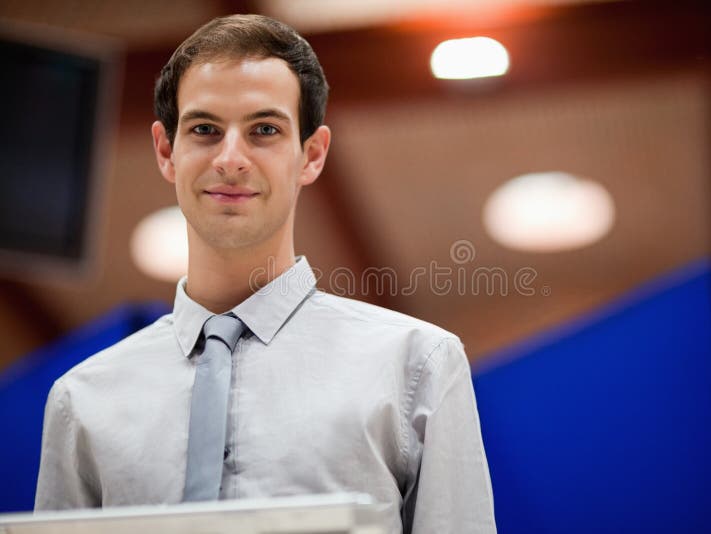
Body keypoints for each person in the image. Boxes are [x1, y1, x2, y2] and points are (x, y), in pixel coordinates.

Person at [34, 14, 496, 534]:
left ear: (311, 155)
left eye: (265, 130)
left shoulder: (418, 366)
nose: (232, 159)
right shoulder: (83, 399)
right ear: (167, 151)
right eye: (205, 129)